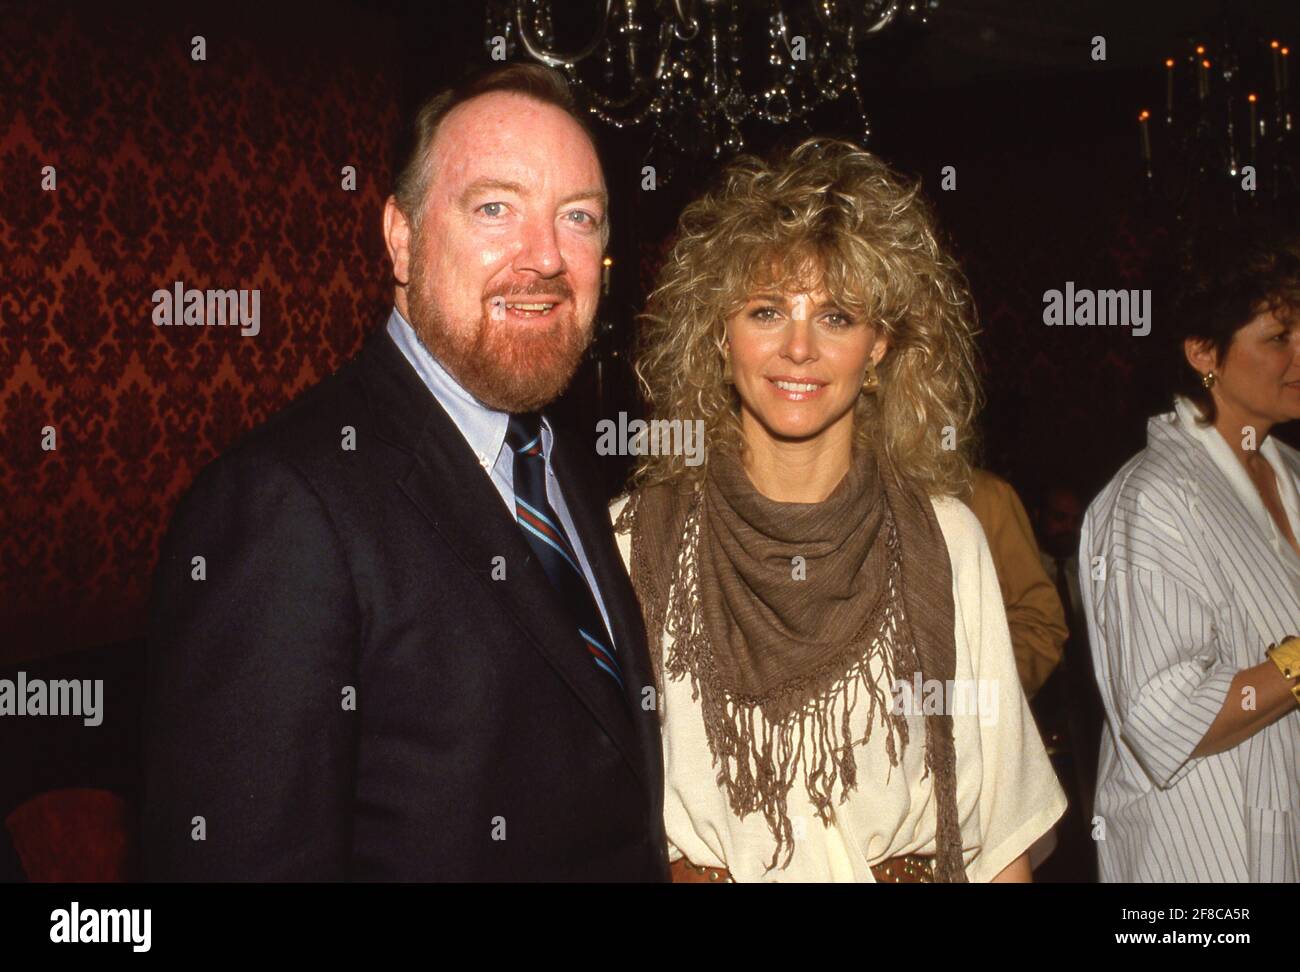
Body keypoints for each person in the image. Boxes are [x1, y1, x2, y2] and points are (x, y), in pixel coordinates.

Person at [141, 64, 669, 881]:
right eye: (495, 208)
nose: (546, 258)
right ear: (401, 236)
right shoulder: (284, 508)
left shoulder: (559, 458)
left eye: (578, 218)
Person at [613, 139, 1066, 882]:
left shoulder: (949, 537)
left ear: (881, 345)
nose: (798, 348)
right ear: (718, 337)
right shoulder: (632, 542)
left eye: (836, 317)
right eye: (766, 311)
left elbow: (1002, 831)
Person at [1080, 226, 1300, 882]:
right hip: (1199, 860)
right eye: (1279, 338)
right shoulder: (1154, 498)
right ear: (1204, 352)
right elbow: (1165, 716)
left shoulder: (1289, 470)